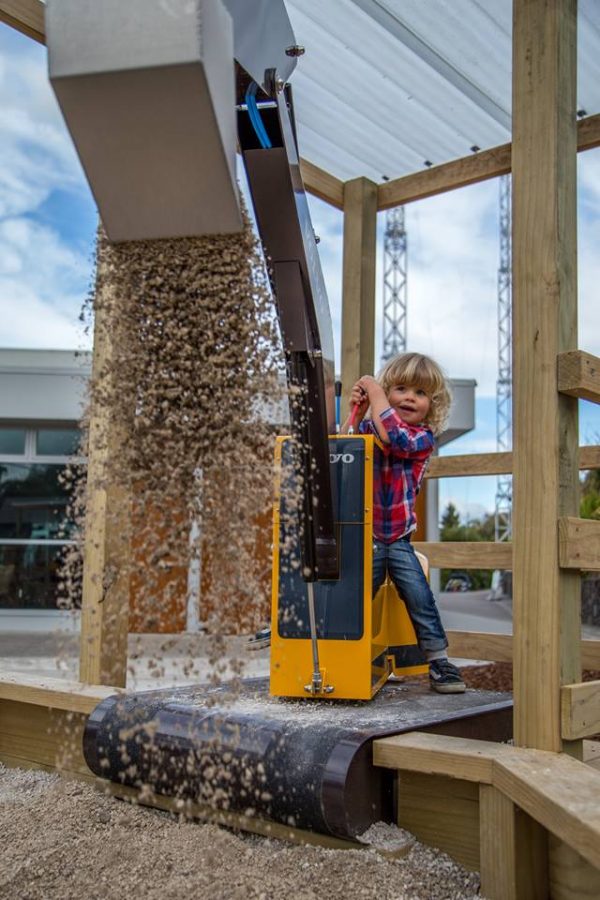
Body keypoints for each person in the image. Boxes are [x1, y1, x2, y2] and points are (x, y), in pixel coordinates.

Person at [343, 352, 465, 693]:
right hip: (364, 536)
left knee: (418, 596)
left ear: (431, 405)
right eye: (400, 388)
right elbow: (345, 449)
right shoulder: (370, 427)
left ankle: (439, 661)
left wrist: (377, 393)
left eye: (420, 393)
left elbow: (396, 439)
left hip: (397, 539)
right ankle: (336, 650)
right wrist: (356, 410)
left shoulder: (422, 439)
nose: (410, 397)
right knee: (350, 595)